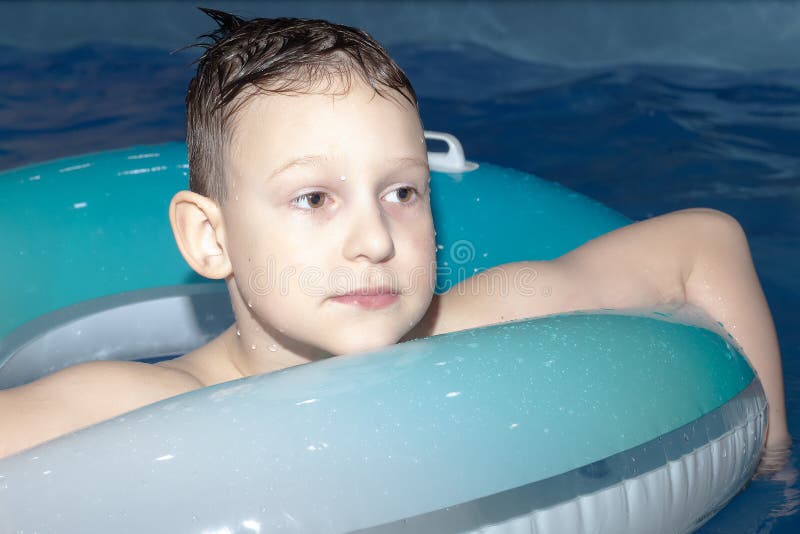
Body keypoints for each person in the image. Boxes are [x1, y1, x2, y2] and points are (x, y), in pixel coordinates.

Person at [0, 8, 790, 462]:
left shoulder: (488, 315)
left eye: (402, 191)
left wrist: (769, 460)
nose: (374, 239)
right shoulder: (140, 402)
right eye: (314, 197)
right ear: (211, 240)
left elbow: (704, 242)